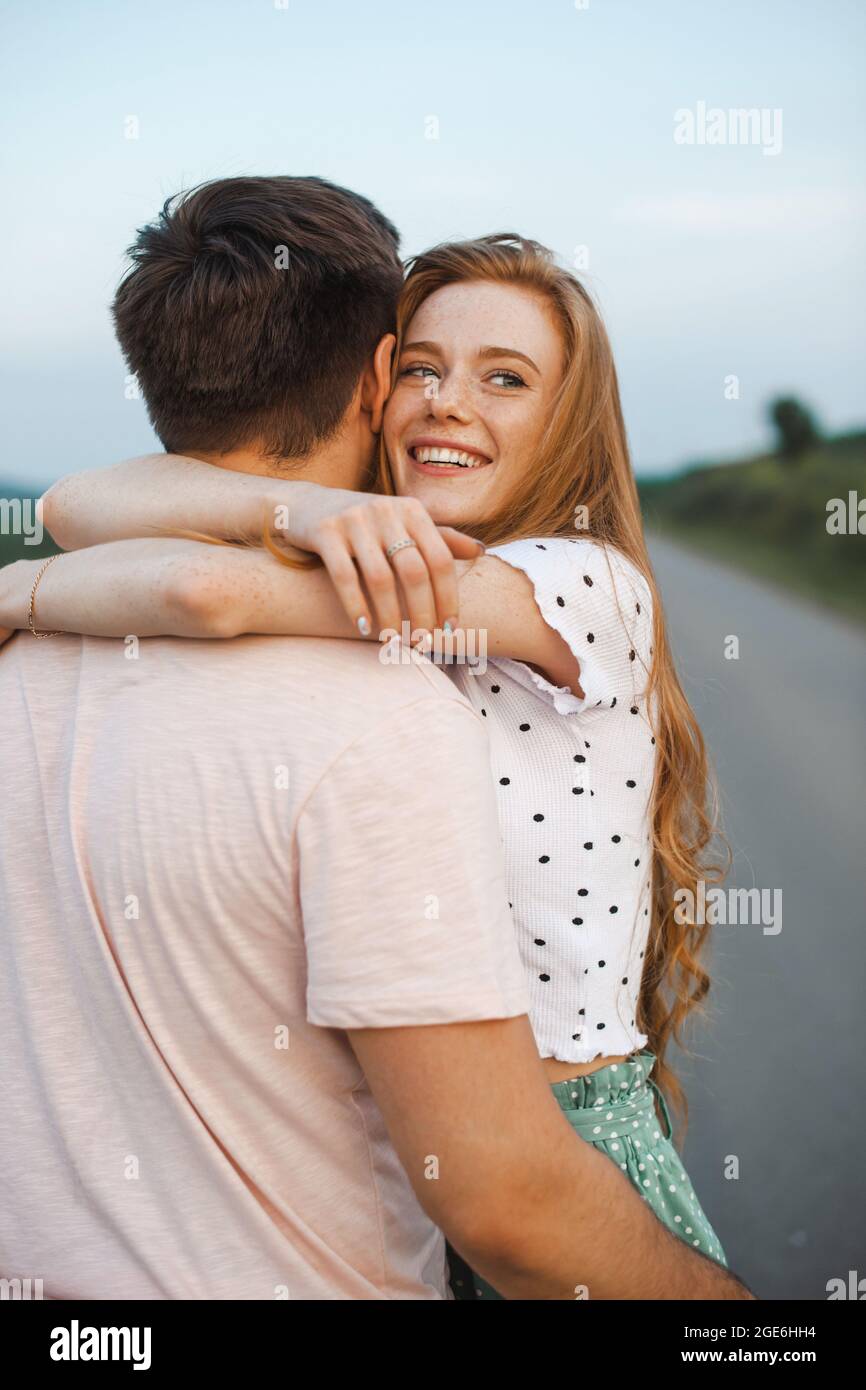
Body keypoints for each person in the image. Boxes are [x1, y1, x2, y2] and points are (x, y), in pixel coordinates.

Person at [0, 175, 752, 1300]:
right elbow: (70, 503)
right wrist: (293, 511)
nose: (450, 402)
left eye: (505, 379)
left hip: (566, 1154)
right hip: (429, 1149)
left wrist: (29, 601)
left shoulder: (582, 585)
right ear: (374, 382)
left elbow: (211, 592)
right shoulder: (362, 561)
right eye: (421, 369)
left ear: (565, 423)